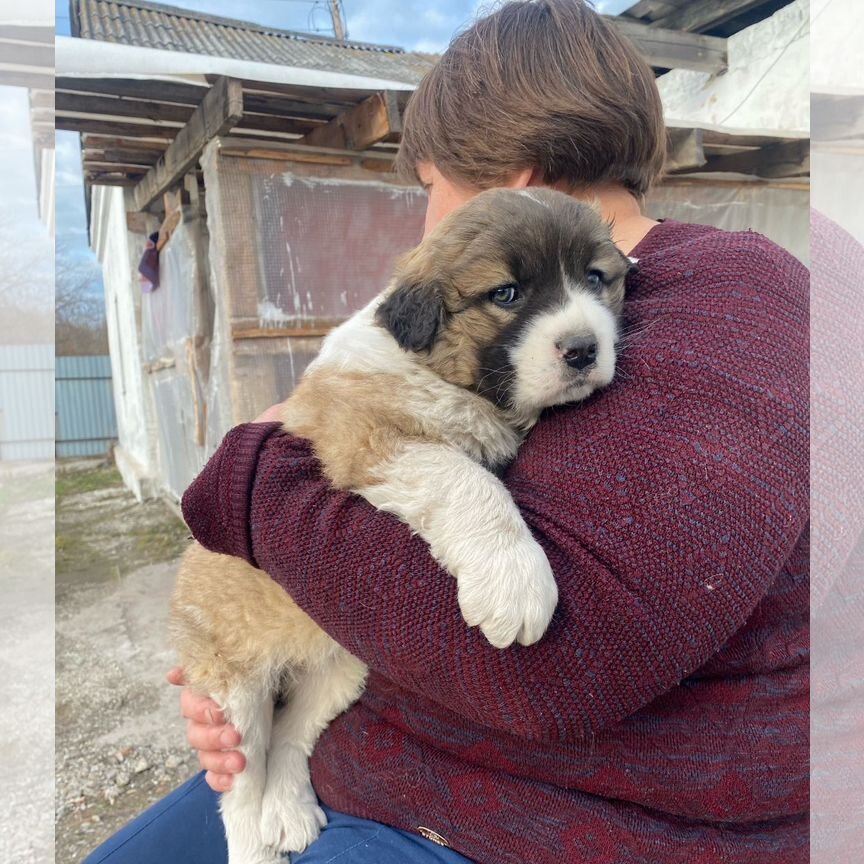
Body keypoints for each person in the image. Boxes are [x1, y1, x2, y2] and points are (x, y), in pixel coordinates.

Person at [84, 1, 809, 862]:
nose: (425, 226)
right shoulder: (545, 320)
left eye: (429, 190)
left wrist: (251, 477)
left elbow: (554, 668)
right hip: (364, 747)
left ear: (517, 172)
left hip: (524, 823)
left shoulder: (732, 301)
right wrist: (265, 713)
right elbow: (377, 466)